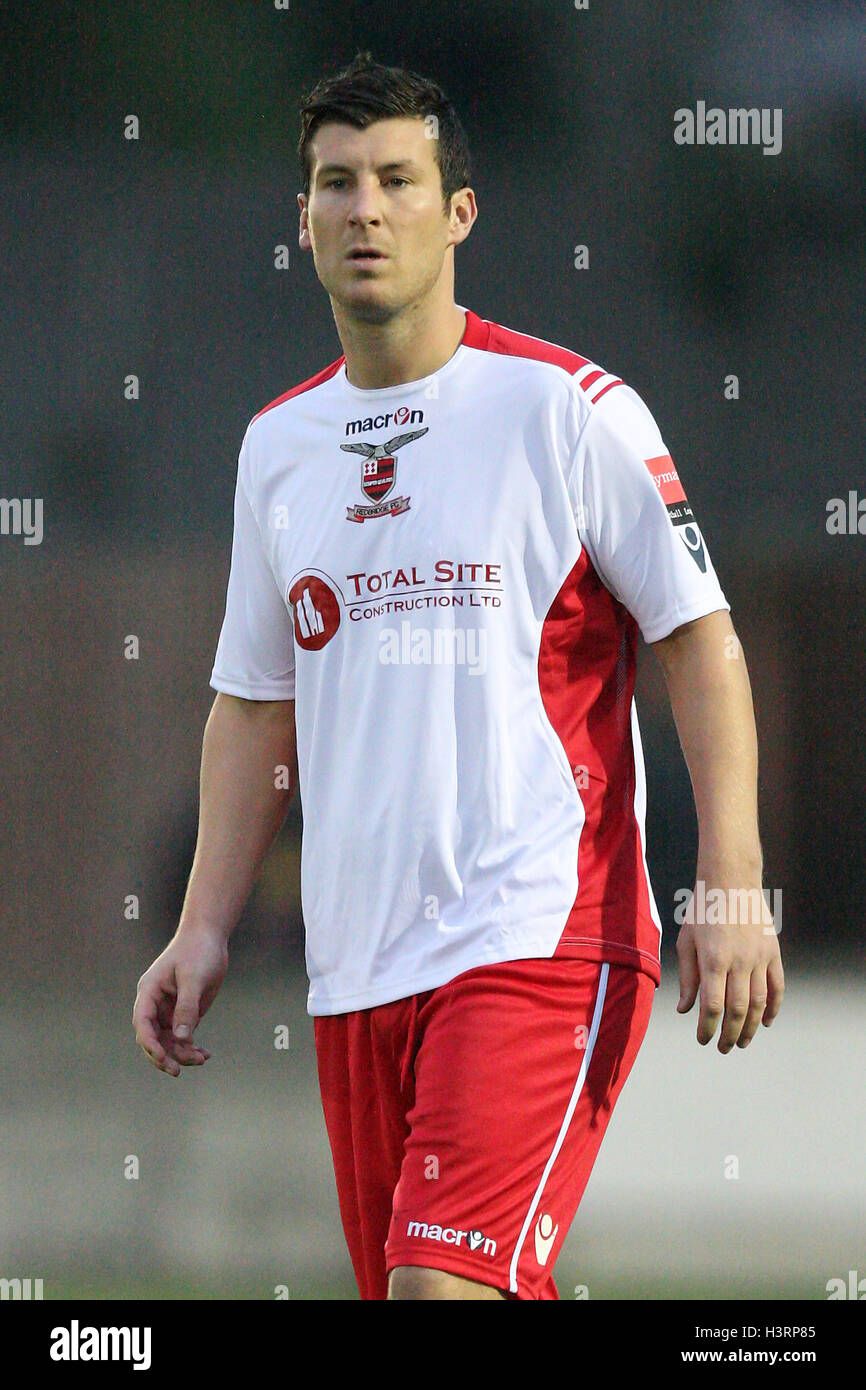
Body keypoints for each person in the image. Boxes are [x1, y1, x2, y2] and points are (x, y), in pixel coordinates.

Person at [132, 51, 784, 1301]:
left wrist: (732, 879)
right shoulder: (277, 448)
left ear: (458, 212)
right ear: (303, 219)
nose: (362, 210)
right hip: (358, 964)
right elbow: (254, 702)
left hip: (538, 931)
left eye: (394, 179)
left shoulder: (567, 409)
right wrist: (204, 924)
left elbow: (699, 637)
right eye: (334, 183)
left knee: (444, 1287)